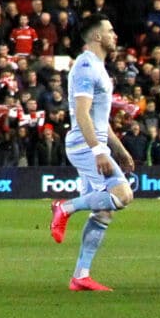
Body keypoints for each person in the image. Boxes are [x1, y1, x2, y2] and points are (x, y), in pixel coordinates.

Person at [46, 16, 136, 291]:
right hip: (85, 145)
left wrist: (119, 149)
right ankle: (65, 207)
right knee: (123, 195)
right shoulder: (86, 65)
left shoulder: (98, 67)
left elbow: (100, 119)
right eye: (110, 31)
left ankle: (81, 276)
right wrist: (98, 151)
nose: (114, 35)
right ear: (97, 37)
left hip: (94, 143)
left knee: (103, 211)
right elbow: (82, 113)